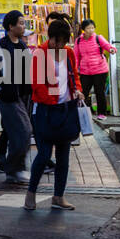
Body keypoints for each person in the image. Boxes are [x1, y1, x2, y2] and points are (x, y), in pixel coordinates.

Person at [25, 19, 85, 211]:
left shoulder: (68, 52)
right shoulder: (39, 53)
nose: (59, 45)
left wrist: (77, 91)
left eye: (62, 41)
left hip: (66, 109)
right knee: (43, 154)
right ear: (49, 37)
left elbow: (74, 75)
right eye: (56, 41)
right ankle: (31, 193)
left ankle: (58, 196)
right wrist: (53, 101)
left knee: (64, 156)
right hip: (44, 111)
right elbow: (37, 84)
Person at [0, 11, 33, 185]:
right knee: (24, 131)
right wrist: (3, 88)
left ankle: (12, 169)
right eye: (21, 23)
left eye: (24, 23)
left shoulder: (22, 47)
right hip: (8, 97)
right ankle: (14, 168)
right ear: (11, 26)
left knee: (16, 132)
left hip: (23, 96)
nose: (23, 27)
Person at [74, 19, 116, 118]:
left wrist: (111, 50)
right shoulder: (79, 40)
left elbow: (107, 46)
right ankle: (80, 113)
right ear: (83, 29)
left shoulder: (98, 38)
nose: (91, 30)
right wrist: (75, 69)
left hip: (100, 70)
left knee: (99, 92)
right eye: (88, 28)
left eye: (93, 28)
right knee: (83, 92)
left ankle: (102, 113)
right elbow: (76, 56)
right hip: (85, 71)